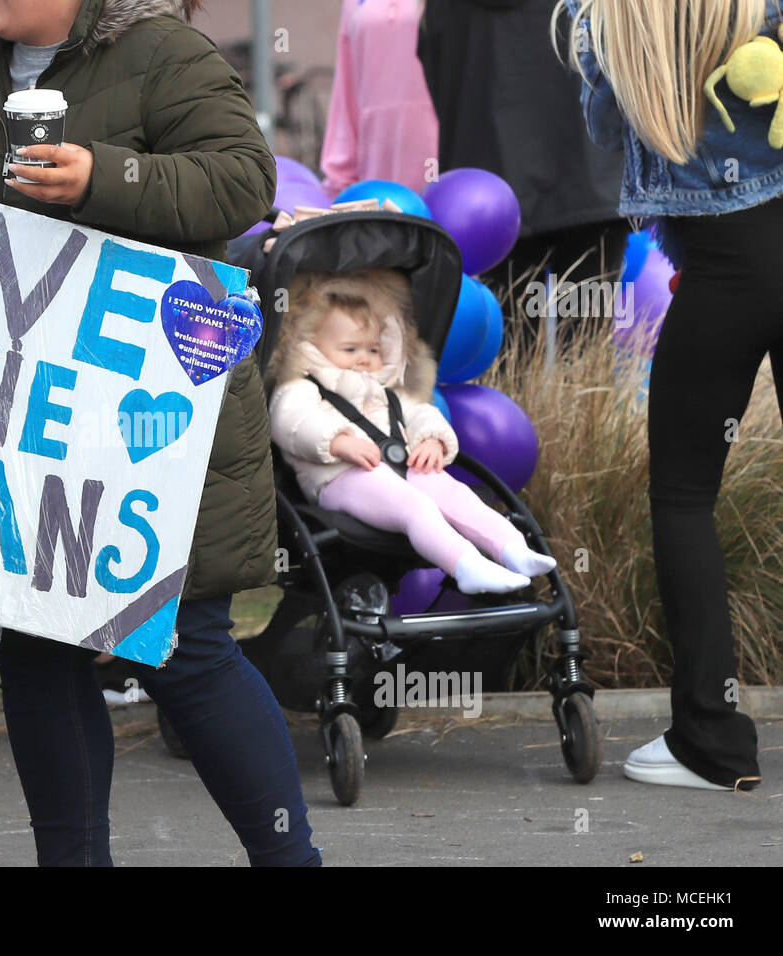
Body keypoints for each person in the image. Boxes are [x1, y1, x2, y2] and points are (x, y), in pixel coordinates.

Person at [0, 0, 320, 867]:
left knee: (183, 648)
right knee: (32, 655)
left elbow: (246, 179)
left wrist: (103, 177)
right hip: (15, 428)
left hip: (147, 430)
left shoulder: (162, 51)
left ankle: (291, 860)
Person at [561, 0, 780, 792]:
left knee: (684, 496)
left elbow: (606, 129)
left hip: (723, 266)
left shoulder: (608, 18)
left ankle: (711, 742)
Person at [268, 270, 555, 595]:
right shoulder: (302, 387)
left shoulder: (387, 389)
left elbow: (421, 413)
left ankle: (512, 549)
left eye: (373, 350)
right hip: (340, 478)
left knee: (454, 493)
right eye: (350, 349)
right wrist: (337, 441)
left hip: (400, 468)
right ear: (310, 346)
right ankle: (466, 566)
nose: (363, 359)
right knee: (416, 507)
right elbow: (288, 420)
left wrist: (431, 438)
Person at [418, 0, 627, 346]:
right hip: (592, 176)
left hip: (486, 192)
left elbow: (435, 62)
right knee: (585, 348)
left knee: (502, 349)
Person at [321, 0, 438, 197]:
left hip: (445, 173)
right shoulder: (354, 4)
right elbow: (346, 91)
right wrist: (339, 180)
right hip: (376, 181)